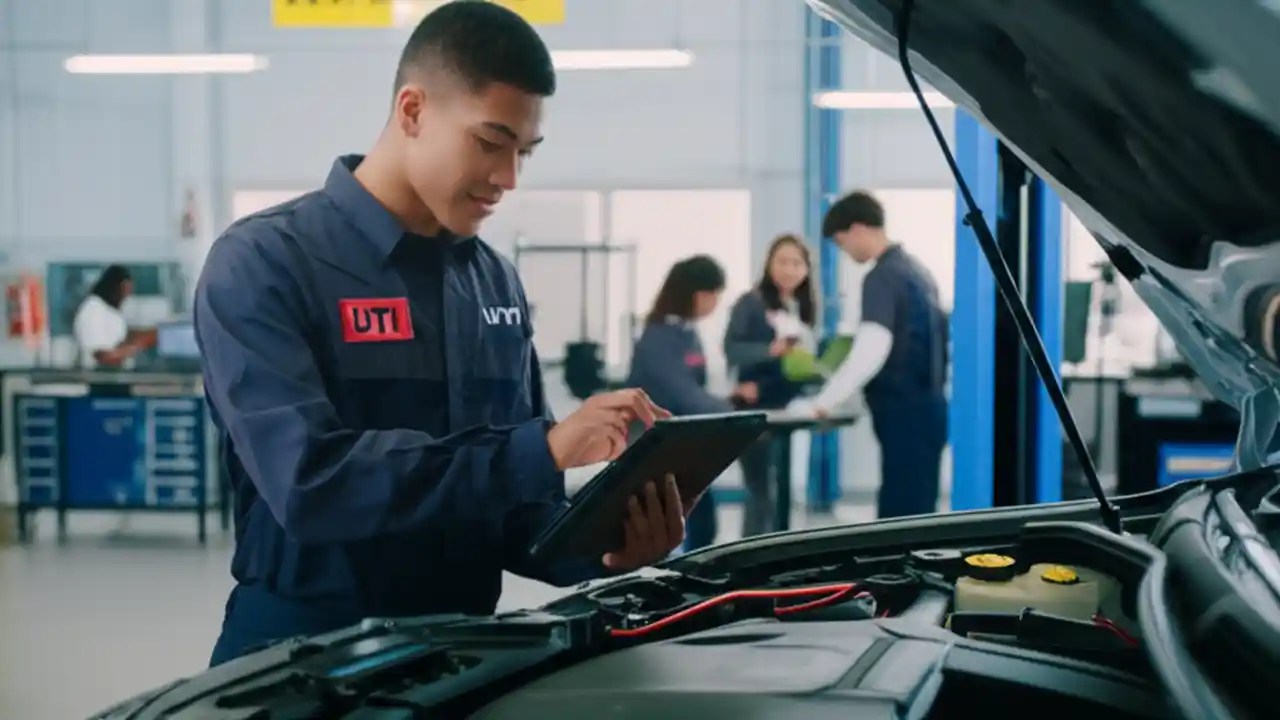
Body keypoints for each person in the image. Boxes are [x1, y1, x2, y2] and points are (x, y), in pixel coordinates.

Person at [194, 1, 686, 667]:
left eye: (525, 152)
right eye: (490, 143)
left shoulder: (493, 284)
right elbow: (312, 484)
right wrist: (536, 450)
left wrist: (600, 548)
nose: (508, 179)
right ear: (413, 111)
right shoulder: (266, 263)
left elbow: (516, 517)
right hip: (300, 655)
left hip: (458, 655)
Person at [808, 190, 948, 519]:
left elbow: (873, 347)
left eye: (842, 243)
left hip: (904, 415)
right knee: (920, 511)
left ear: (857, 229)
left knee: (899, 514)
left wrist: (824, 402)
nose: (845, 252)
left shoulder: (881, 277)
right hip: (930, 410)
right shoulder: (918, 272)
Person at [626, 255, 753, 551]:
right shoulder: (658, 337)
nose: (715, 303)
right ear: (695, 294)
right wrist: (731, 412)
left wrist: (727, 400)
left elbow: (694, 388)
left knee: (703, 524)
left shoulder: (686, 333)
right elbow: (681, 393)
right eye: (713, 295)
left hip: (683, 443)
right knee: (666, 531)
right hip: (655, 447)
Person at [723, 234, 817, 537]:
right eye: (782, 261)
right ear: (769, 265)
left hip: (789, 407)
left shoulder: (802, 307)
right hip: (754, 408)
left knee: (784, 490)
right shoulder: (750, 303)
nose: (789, 269)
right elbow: (732, 349)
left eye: (796, 263)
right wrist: (769, 350)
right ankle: (751, 561)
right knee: (761, 491)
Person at [72, 265, 155, 368]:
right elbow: (102, 357)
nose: (125, 299)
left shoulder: (111, 312)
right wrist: (136, 346)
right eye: (123, 292)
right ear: (114, 287)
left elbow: (118, 341)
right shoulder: (93, 309)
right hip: (100, 380)